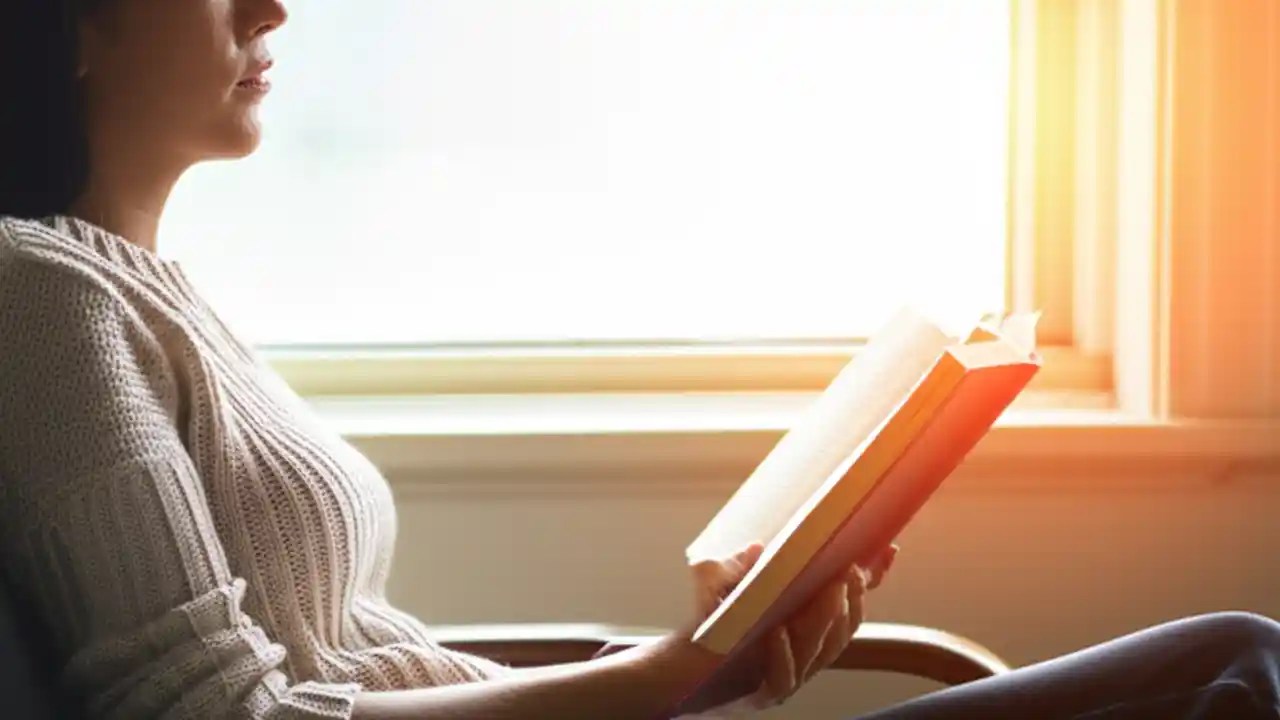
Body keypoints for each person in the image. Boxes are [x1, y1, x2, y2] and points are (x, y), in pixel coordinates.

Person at [0, 1, 1276, 718]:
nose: (273, 6)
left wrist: (686, 667)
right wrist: (659, 681)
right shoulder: (39, 294)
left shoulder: (140, 288)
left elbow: (340, 669)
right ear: (69, 27)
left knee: (1233, 660)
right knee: (1231, 662)